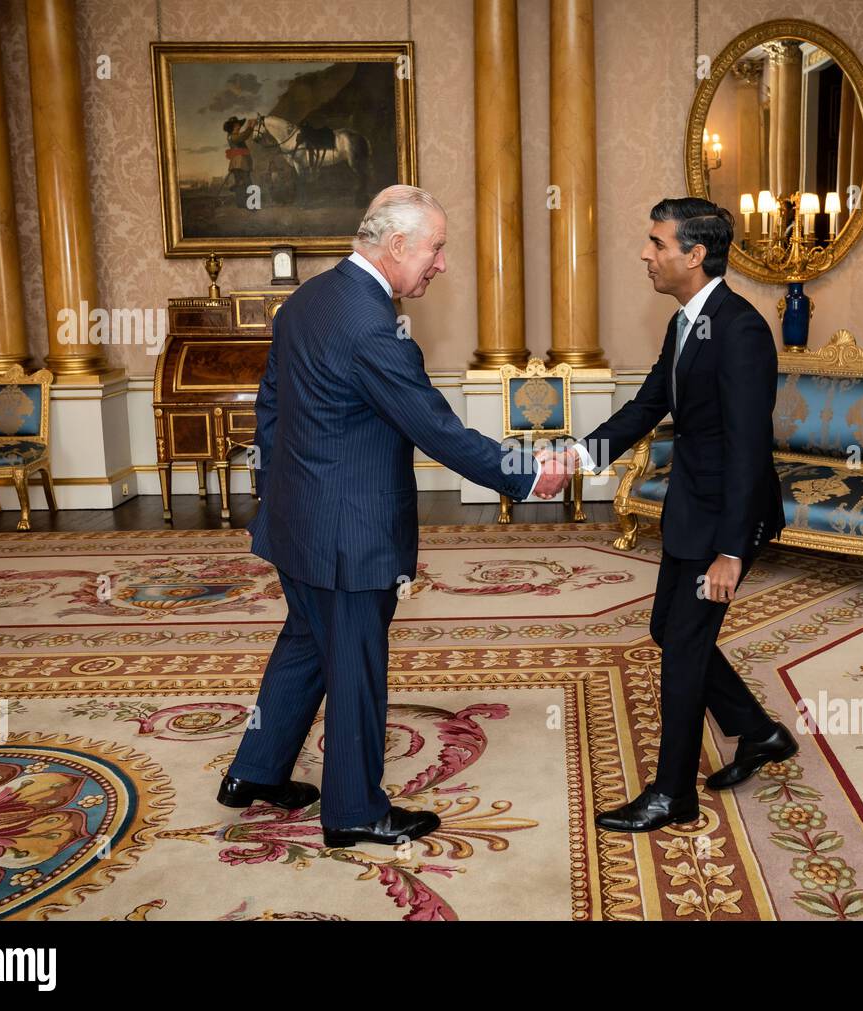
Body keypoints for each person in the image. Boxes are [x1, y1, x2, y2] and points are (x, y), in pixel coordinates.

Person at [218, 185, 573, 848]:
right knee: (354, 664)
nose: (441, 263)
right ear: (397, 245)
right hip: (347, 535)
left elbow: (270, 409)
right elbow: (435, 428)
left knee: (305, 643)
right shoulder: (371, 328)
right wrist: (526, 473)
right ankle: (354, 810)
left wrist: (278, 495)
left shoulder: (309, 300)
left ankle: (256, 770)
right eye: (436, 248)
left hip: (298, 521)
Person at [549, 197, 797, 832]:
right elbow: (646, 405)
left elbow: (748, 448)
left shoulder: (740, 329)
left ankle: (671, 794)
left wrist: (733, 552)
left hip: (728, 518)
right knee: (670, 629)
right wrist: (579, 457)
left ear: (694, 255)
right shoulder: (687, 322)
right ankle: (759, 732)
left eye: (656, 244)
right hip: (694, 504)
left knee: (683, 645)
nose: (644, 254)